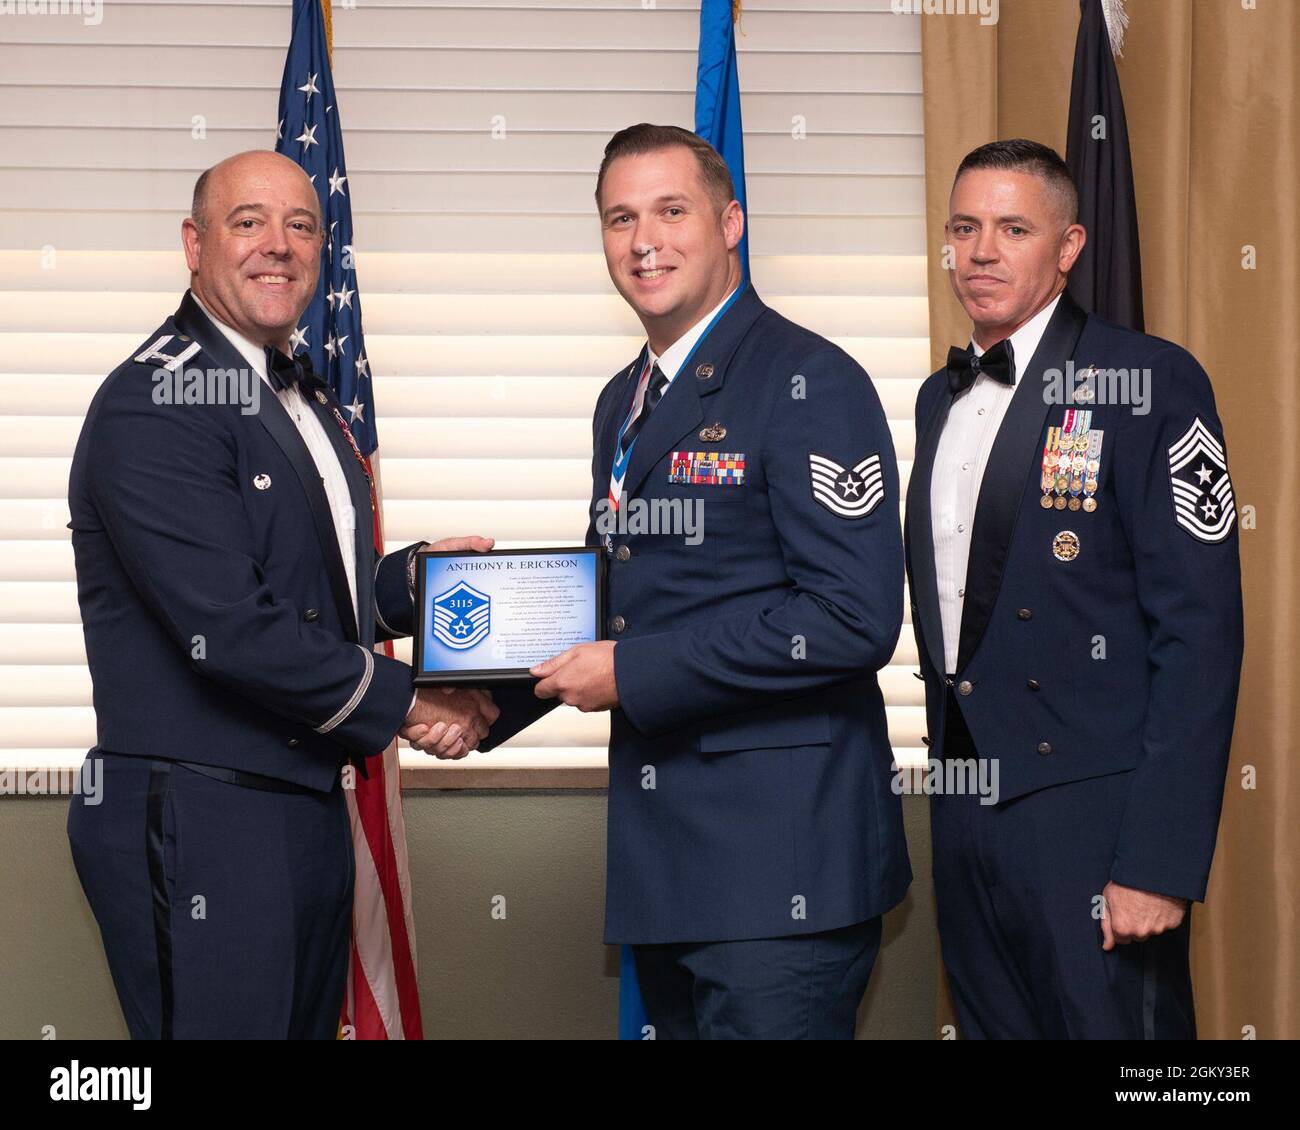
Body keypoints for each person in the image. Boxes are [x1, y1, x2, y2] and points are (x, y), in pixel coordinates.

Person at [66, 150, 497, 1039]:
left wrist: (416, 583)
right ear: (194, 243)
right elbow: (228, 626)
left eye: (301, 225)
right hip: (202, 816)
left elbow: (308, 587)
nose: (279, 245)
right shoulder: (159, 396)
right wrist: (412, 702)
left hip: (297, 801)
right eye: (248, 221)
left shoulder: (288, 388)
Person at [493, 123, 910, 1039]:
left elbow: (853, 617)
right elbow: (614, 596)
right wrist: (484, 704)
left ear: (731, 223)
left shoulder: (809, 379)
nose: (645, 240)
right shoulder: (625, 399)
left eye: (671, 211)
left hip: (782, 873)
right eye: (620, 218)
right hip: (669, 864)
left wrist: (632, 674)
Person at [904, 139, 1243, 1039]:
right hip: (966, 803)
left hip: (1097, 818)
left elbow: (1200, 636)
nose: (983, 251)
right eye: (964, 228)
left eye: (1014, 228)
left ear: (1068, 246)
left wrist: (1160, 860)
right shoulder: (937, 398)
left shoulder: (1153, 383)